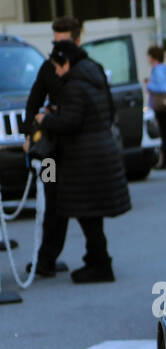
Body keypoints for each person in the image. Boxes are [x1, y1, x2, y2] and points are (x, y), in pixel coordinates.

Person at [34, 40, 131, 284]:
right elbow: (106, 110)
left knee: (86, 214)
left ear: (66, 62)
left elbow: (71, 122)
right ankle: (95, 259)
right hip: (99, 153)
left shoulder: (74, 85)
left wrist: (45, 120)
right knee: (91, 214)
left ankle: (100, 264)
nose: (55, 72)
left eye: (57, 66)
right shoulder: (94, 74)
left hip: (83, 159)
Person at [22, 15, 84, 279]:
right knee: (51, 202)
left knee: (80, 204)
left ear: (77, 40)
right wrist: (28, 134)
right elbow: (33, 99)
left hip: (77, 148)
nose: (59, 49)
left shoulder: (84, 67)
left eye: (65, 42)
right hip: (51, 152)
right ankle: (46, 259)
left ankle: (94, 256)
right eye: (55, 42)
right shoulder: (48, 68)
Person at [146, 46, 166, 169]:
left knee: (163, 132)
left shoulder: (158, 70)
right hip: (165, 106)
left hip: (161, 106)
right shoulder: (164, 69)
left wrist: (149, 85)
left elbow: (163, 88)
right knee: (165, 132)